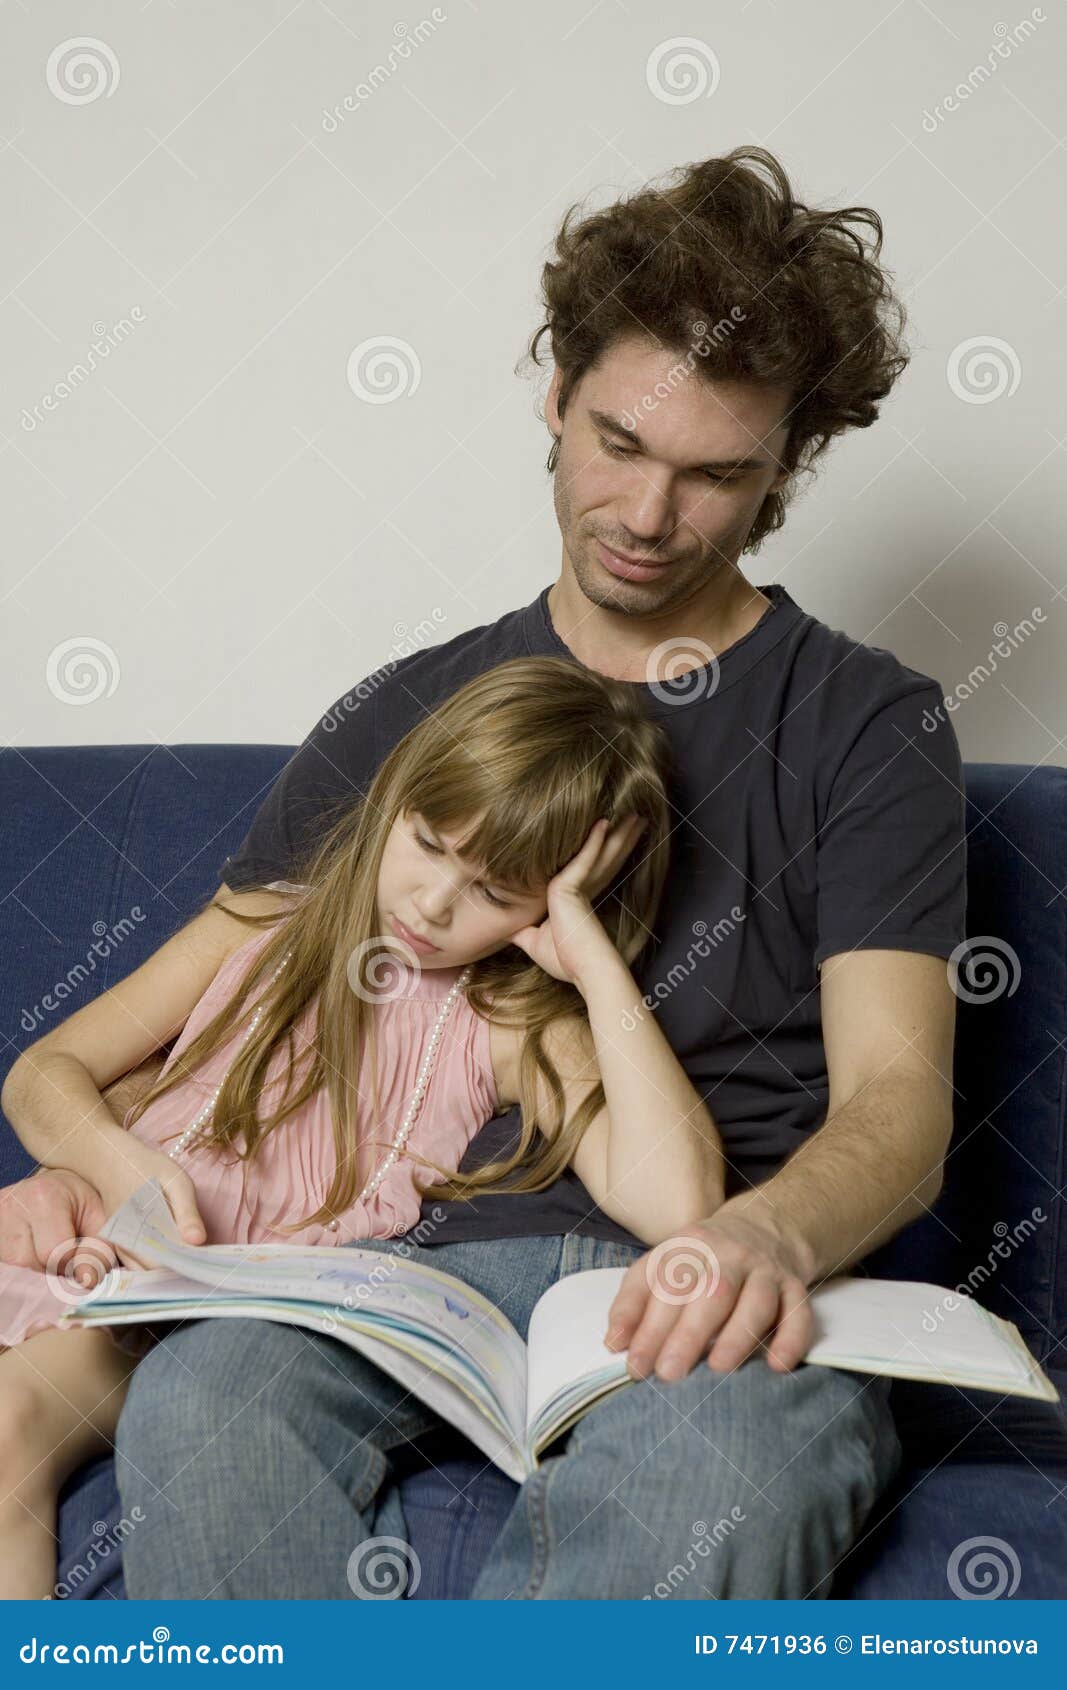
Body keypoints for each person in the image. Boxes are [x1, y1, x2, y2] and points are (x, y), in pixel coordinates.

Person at [0, 144, 964, 1599]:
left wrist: (764, 1231)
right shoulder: (415, 711)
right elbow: (208, 1020)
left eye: (716, 476)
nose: (646, 518)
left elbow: (898, 1103)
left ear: (788, 467)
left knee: (712, 1467)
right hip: (384, 1275)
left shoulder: (865, 722)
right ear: (552, 393)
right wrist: (97, 1167)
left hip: (699, 1261)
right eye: (616, 444)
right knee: (204, 1406)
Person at [0, 657, 725, 1600]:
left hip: (154, 1312)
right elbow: (43, 1075)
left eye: (495, 891)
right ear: (393, 799)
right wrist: (114, 1161)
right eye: (427, 843)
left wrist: (590, 957)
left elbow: (680, 1199)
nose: (431, 905)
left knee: (8, 1427)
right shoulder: (261, 925)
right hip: (65, 1228)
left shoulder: (508, 1026)